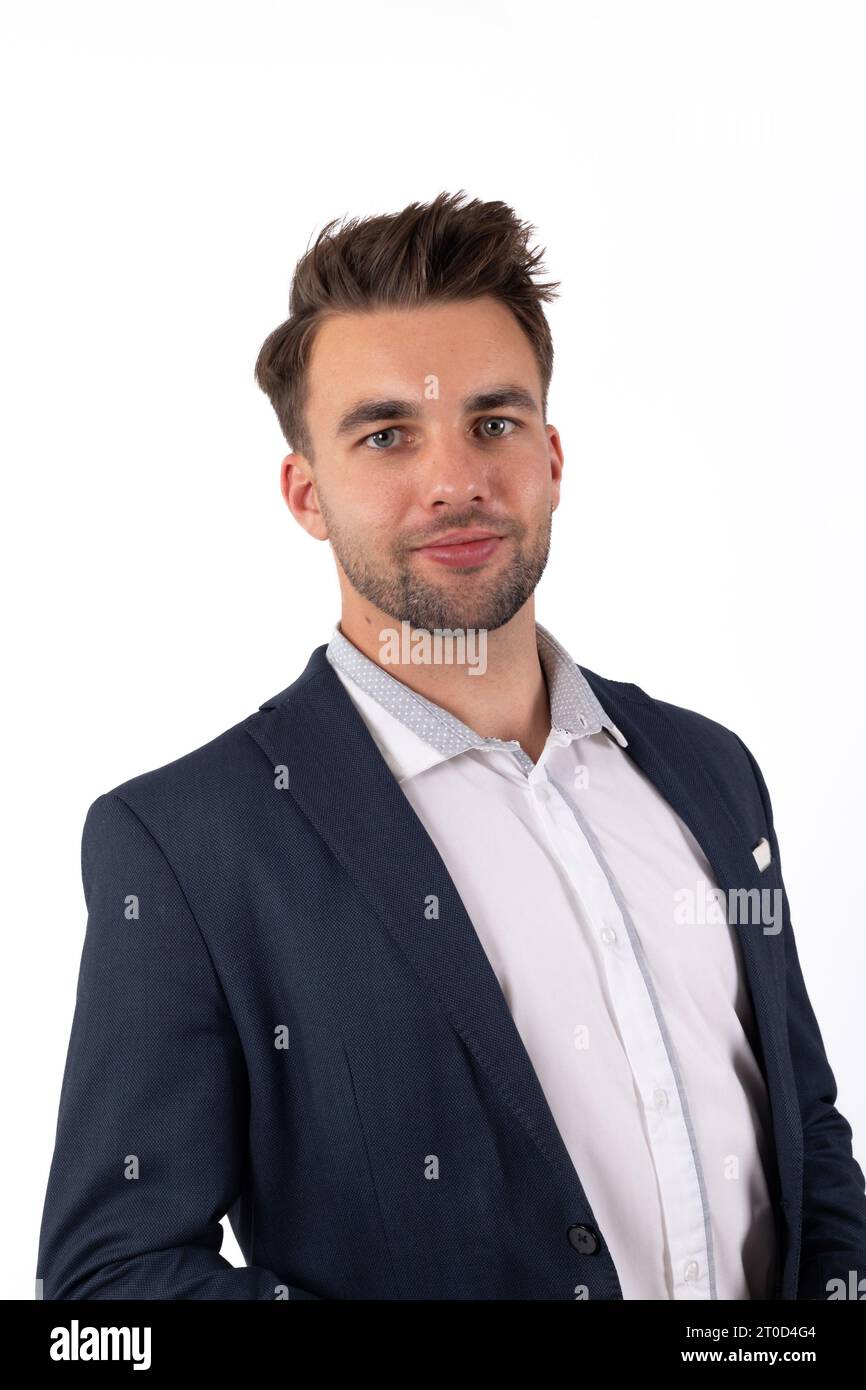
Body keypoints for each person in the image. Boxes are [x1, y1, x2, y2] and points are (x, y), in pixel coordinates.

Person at [37, 190, 866, 1300]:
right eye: (386, 435)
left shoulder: (711, 772)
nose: (455, 480)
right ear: (306, 494)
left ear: (552, 455)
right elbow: (112, 1281)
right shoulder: (187, 843)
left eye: (493, 421)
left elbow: (804, 1139)